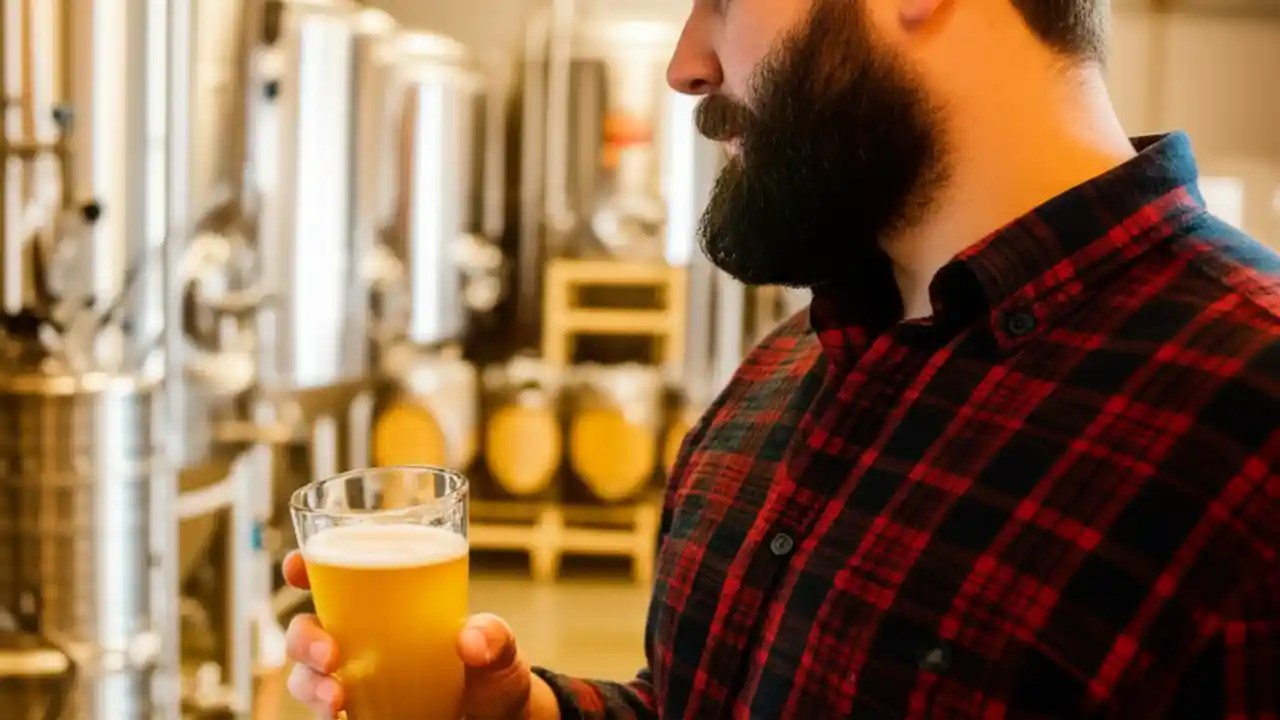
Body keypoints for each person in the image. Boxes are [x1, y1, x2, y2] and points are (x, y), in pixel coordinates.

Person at [285, 0, 1280, 716]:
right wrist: (520, 713)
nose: (686, 63)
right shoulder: (779, 376)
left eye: (720, 1)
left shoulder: (1251, 427)